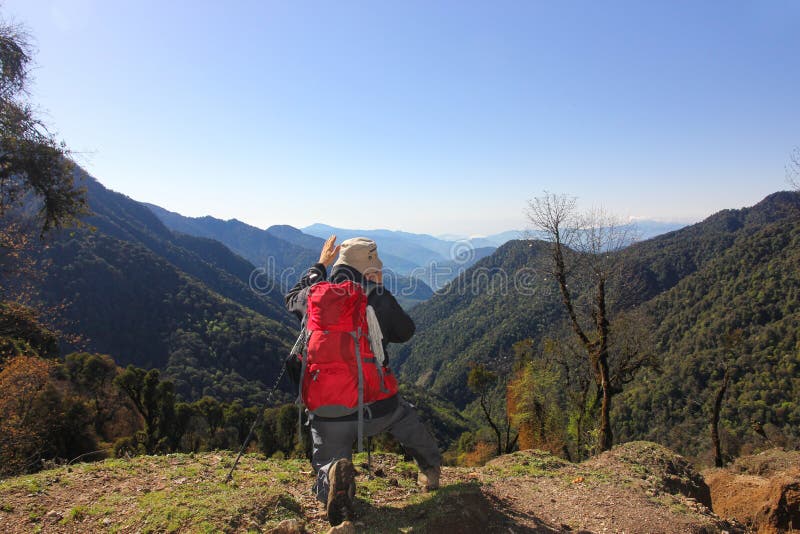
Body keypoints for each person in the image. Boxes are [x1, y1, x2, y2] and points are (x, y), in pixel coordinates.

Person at [285, 235, 441, 526]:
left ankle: (331, 481)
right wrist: (378, 290)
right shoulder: (374, 296)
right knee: (405, 416)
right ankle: (430, 469)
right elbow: (406, 330)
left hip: (329, 411)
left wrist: (320, 264)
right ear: (368, 270)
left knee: (327, 453)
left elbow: (291, 296)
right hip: (376, 408)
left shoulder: (314, 296)